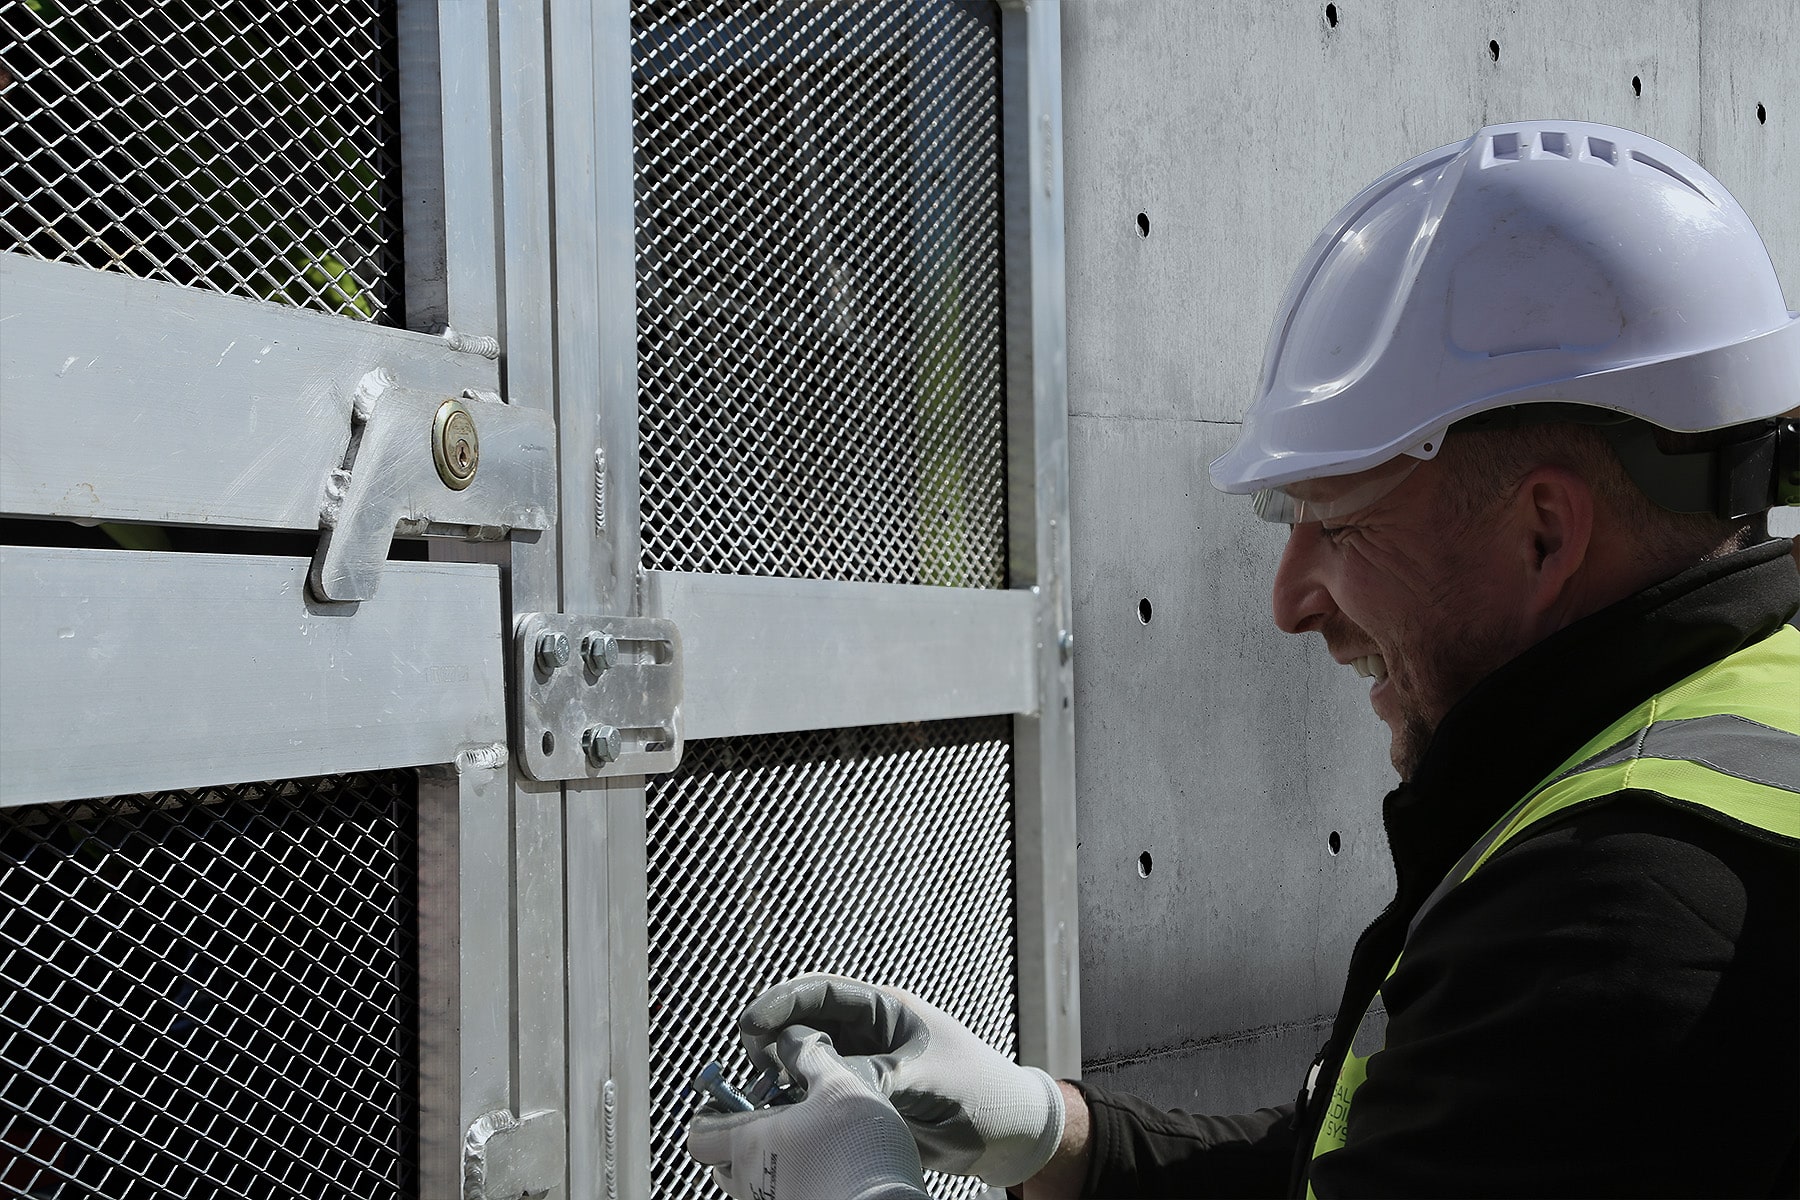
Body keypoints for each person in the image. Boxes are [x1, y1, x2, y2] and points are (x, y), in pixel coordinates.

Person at [687, 120, 1800, 1198]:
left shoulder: (1621, 921)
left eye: (1338, 522)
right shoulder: (1734, 715)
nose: (1287, 601)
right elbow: (1388, 1146)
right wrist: (1054, 1137)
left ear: (1543, 534)